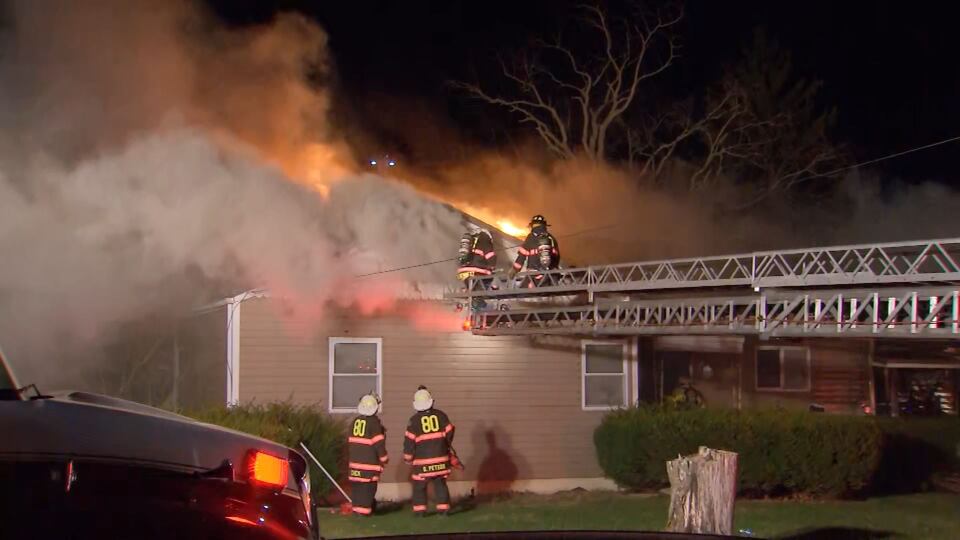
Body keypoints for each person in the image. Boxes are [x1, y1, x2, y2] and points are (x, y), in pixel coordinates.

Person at [403, 386, 462, 516]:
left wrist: (408, 458)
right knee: (440, 484)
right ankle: (444, 509)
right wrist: (444, 445)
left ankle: (420, 511)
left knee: (419, 486)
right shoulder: (441, 415)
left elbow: (409, 442)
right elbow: (450, 432)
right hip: (441, 459)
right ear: (431, 401)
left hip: (422, 463)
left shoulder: (413, 421)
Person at [347, 393, 388, 516]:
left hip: (355, 465)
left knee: (357, 489)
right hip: (368, 465)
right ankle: (364, 512)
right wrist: (384, 458)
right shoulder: (374, 423)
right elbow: (379, 443)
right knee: (368, 489)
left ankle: (356, 510)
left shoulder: (355, 422)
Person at [512, 214, 560, 286]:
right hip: (550, 276)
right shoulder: (551, 238)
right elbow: (557, 257)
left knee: (522, 292)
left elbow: (521, 256)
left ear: (532, 225)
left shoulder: (531, 237)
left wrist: (514, 270)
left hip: (533, 276)